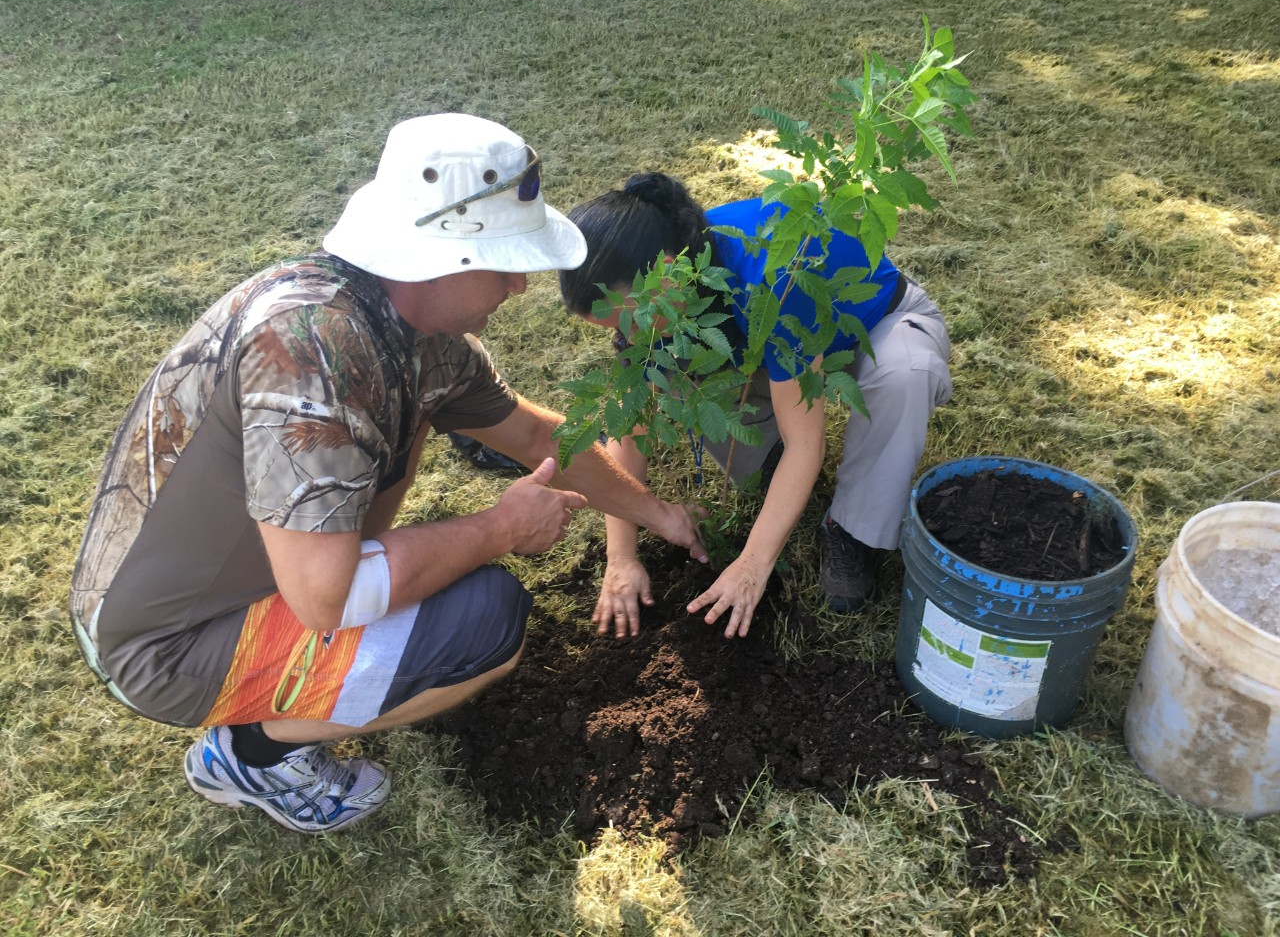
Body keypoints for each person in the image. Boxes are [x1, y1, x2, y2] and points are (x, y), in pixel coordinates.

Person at [69, 116, 708, 834]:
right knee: (485, 623)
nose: (521, 285)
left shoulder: (414, 333)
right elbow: (329, 598)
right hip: (168, 646)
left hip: (261, 581)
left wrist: (658, 516)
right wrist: (501, 527)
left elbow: (537, 436)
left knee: (431, 492)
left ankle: (280, 707)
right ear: (439, 258)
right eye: (504, 262)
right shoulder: (311, 353)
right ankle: (253, 754)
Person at [559, 172, 952, 640]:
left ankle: (852, 526)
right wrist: (621, 557)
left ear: (665, 272)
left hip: (875, 325)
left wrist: (751, 565)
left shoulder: (772, 281)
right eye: (612, 329)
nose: (628, 338)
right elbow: (630, 429)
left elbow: (806, 444)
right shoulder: (655, 304)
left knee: (905, 375)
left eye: (629, 321)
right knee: (685, 378)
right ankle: (770, 468)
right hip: (775, 351)